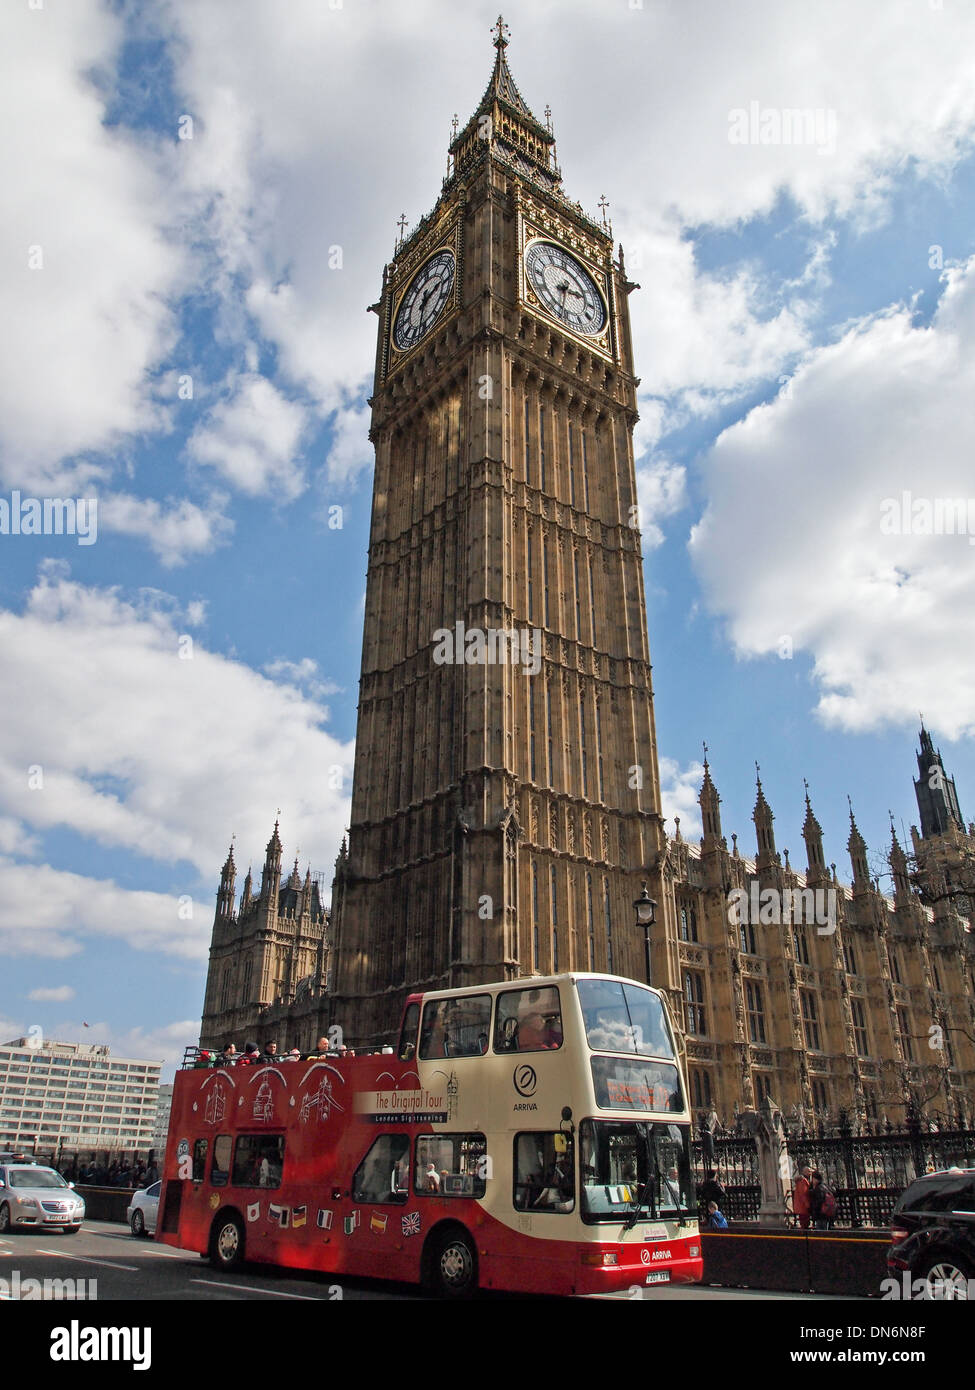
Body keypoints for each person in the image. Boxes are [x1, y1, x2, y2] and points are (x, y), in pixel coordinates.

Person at [792, 1165, 812, 1230]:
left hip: (801, 1206)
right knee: (804, 1223)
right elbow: (804, 1194)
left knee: (804, 1223)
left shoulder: (802, 1180)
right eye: (808, 1171)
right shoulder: (803, 1181)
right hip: (803, 1206)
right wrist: (808, 1205)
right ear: (804, 1172)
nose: (810, 1173)